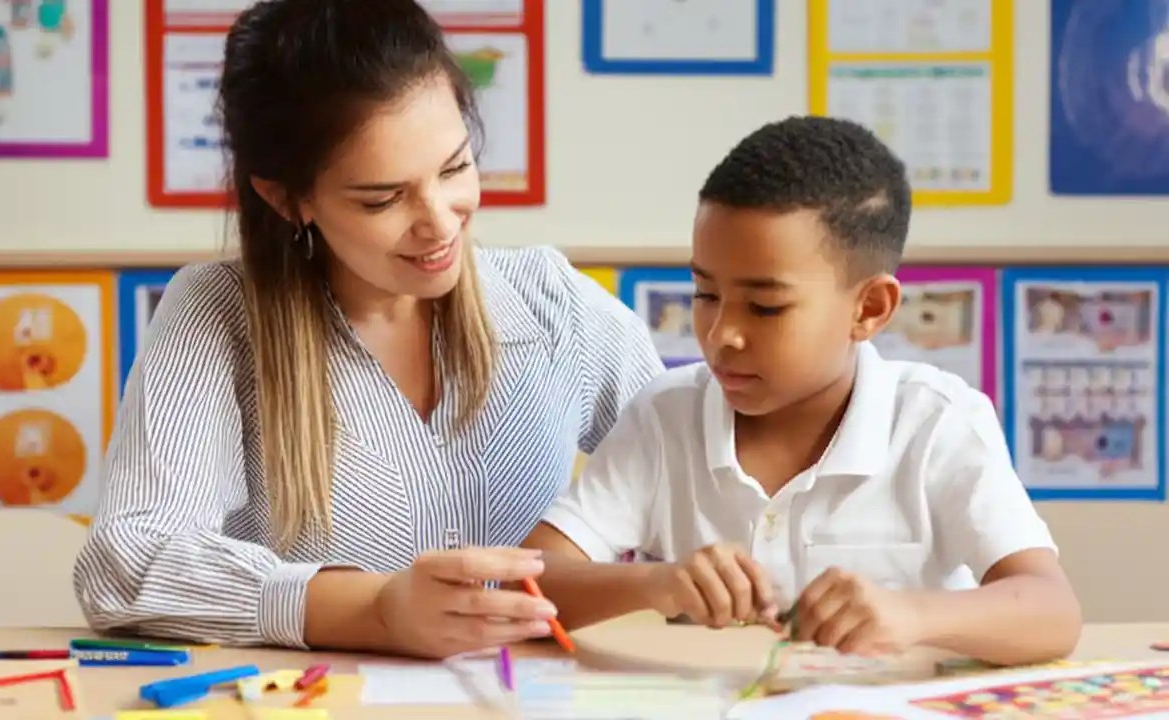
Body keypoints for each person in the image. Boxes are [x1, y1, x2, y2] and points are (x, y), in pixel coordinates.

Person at [72, 0, 663, 659]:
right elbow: (125, 565)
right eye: (382, 198)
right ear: (286, 197)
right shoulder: (217, 317)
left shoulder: (550, 303)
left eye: (455, 168)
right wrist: (377, 610)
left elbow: (708, 467)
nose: (439, 222)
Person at [522, 116, 1083, 667]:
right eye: (704, 294)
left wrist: (913, 616)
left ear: (868, 309)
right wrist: (653, 584)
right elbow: (531, 582)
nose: (721, 335)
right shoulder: (666, 416)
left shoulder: (935, 421)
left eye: (765, 307)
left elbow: (1052, 611)